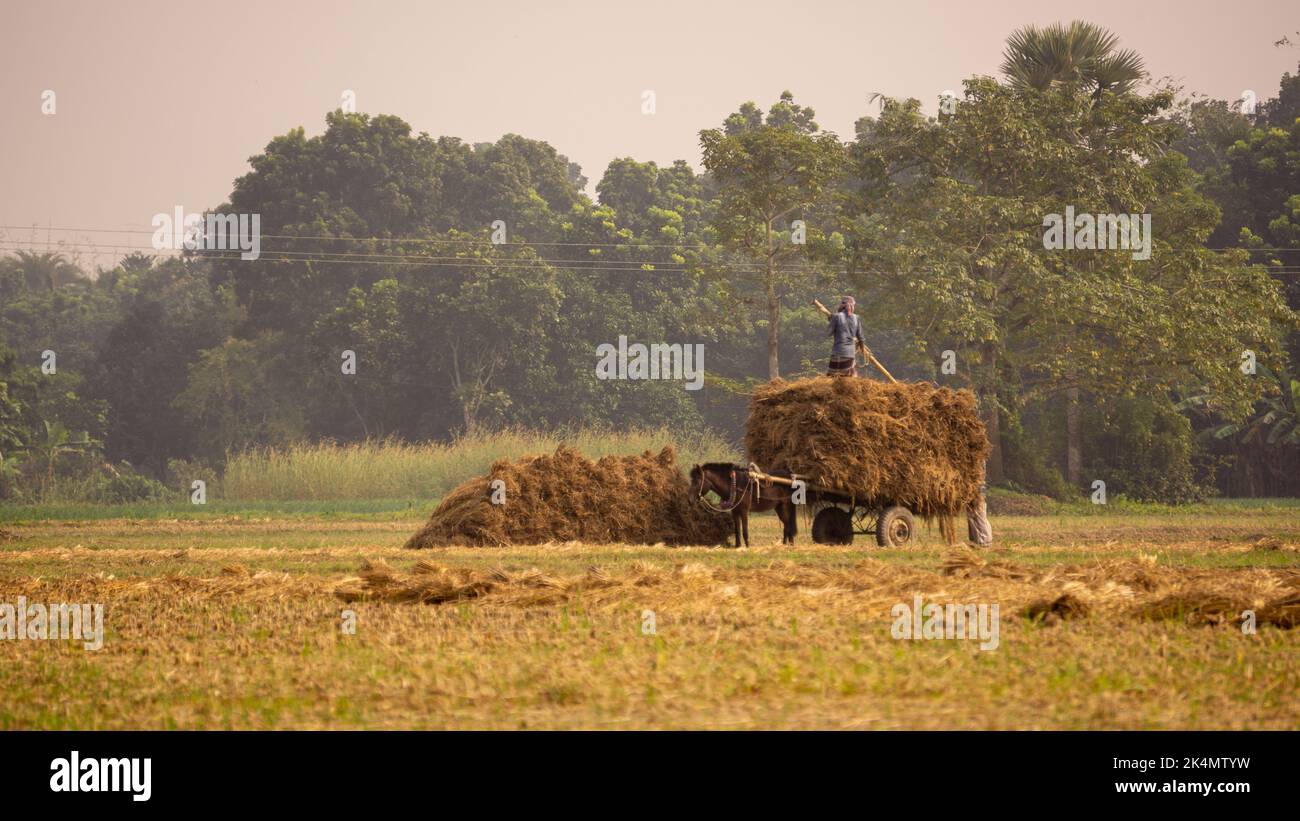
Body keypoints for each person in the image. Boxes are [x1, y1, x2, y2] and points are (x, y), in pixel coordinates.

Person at [813, 296, 867, 377]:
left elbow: (828, 333)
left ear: (842, 305)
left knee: (832, 377)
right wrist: (862, 349)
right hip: (850, 354)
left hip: (838, 353)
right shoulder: (856, 318)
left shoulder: (836, 316)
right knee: (849, 376)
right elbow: (861, 337)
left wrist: (832, 321)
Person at [967, 480, 993, 546]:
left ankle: (984, 541)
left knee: (978, 515)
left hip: (977, 491)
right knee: (972, 516)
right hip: (973, 489)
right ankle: (976, 540)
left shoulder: (978, 479)